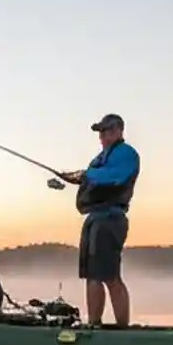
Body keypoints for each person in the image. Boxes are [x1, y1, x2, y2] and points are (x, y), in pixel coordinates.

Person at [59, 114, 140, 328]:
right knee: (91, 275)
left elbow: (113, 176)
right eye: (101, 132)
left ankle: (123, 327)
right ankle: (94, 325)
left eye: (107, 131)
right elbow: (91, 177)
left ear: (119, 131)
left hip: (111, 218)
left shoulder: (126, 154)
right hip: (93, 219)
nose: (103, 136)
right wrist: (73, 178)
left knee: (110, 275)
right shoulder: (100, 158)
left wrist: (86, 175)